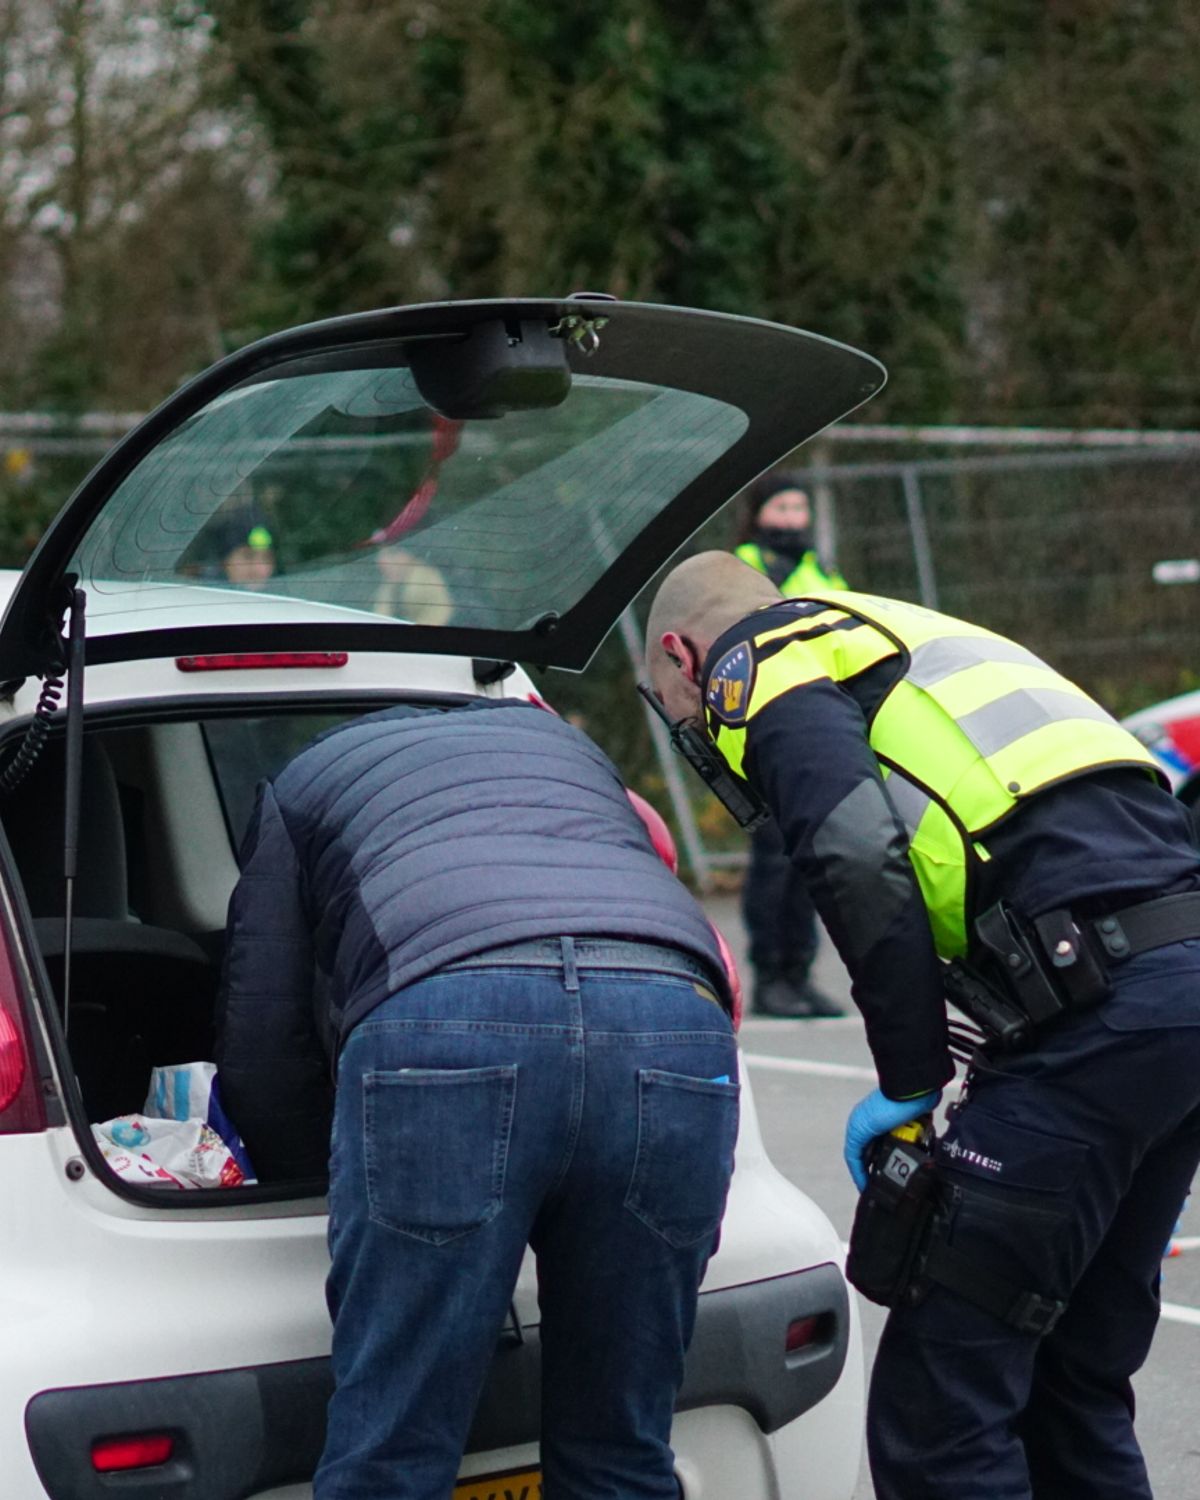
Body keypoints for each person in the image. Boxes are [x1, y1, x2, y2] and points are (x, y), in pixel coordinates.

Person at [644, 550, 1200, 1500]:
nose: (698, 731)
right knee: (1073, 1379)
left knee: (941, 1409)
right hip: (1171, 990)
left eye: (676, 711)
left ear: (680, 657)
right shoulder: (903, 631)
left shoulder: (763, 659)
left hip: (1096, 1013)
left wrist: (909, 1077)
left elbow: (855, 853)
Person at [213, 698, 739, 1500]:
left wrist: (321, 1183)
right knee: (623, 1450)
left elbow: (263, 1031)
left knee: (391, 1457)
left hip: (448, 1023)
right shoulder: (568, 745)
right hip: (674, 1025)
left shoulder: (300, 784)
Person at [733, 472, 847, 1016]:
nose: (793, 518)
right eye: (782, 506)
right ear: (759, 512)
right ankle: (770, 974)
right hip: (763, 726)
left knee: (811, 857)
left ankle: (799, 973)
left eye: (800, 506)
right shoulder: (742, 566)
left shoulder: (817, 568)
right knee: (775, 857)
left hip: (820, 724)